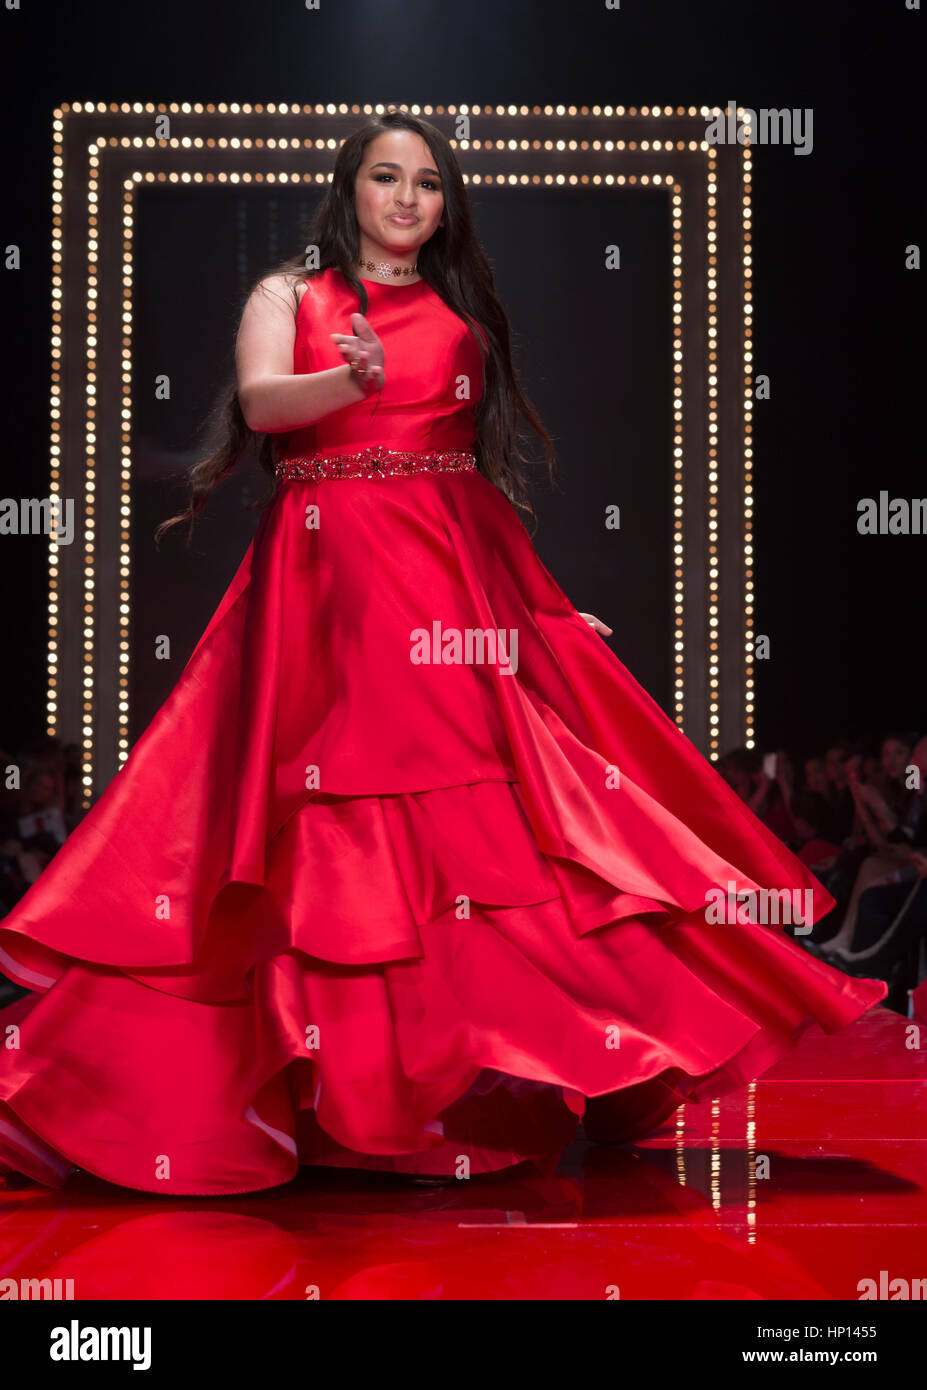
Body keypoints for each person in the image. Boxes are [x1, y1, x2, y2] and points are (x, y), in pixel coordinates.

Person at [0, 109, 887, 1196]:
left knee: (471, 843)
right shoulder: (291, 296)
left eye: (429, 182)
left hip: (441, 595)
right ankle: (269, 1099)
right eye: (388, 177)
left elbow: (474, 500)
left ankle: (440, 1101)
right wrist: (350, 386)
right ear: (350, 189)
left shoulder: (462, 325)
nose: (410, 198)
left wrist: (544, 614)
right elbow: (267, 404)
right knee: (313, 829)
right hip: (322, 590)